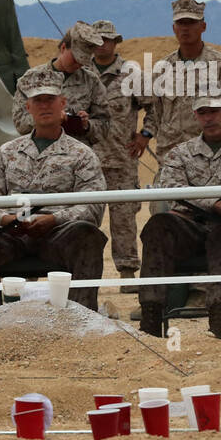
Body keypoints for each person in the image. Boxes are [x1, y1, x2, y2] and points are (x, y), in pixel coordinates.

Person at [0, 68, 107, 317]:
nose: (44, 106)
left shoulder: (82, 154)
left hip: (58, 237)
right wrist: (5, 220)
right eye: (37, 100)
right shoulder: (7, 152)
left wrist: (55, 219)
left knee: (88, 235)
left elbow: (93, 206)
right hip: (10, 237)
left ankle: (81, 321)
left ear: (63, 103)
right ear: (27, 108)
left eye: (50, 99)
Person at [137, 94, 221, 341]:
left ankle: (219, 326)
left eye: (214, 111)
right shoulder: (180, 153)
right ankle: (150, 320)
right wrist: (218, 205)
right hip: (191, 232)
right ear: (195, 116)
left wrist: (201, 204)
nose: (208, 118)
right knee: (159, 225)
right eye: (203, 113)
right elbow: (171, 190)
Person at [131, 0, 221, 169]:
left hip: (212, 161)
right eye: (181, 23)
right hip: (171, 159)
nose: (185, 28)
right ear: (174, 28)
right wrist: (145, 134)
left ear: (203, 27)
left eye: (191, 22)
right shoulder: (162, 69)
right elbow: (156, 113)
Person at [91, 20, 142, 280]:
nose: (102, 44)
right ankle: (84, 272)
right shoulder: (82, 74)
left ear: (115, 42)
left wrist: (145, 135)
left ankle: (127, 272)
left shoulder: (130, 73)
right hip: (87, 164)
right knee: (86, 220)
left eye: (107, 40)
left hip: (123, 160)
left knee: (124, 220)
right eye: (97, 40)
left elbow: (154, 108)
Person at [11, 21, 109, 146]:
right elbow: (20, 124)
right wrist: (50, 116)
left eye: (83, 62)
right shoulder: (30, 79)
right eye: (75, 59)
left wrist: (86, 125)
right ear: (63, 48)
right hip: (39, 156)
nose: (78, 65)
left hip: (76, 158)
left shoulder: (91, 81)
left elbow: (105, 125)